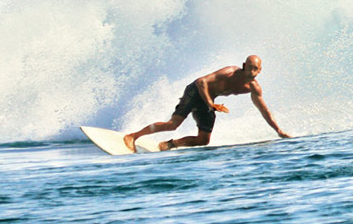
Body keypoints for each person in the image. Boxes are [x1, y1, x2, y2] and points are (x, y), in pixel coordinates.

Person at [124, 55, 291, 152]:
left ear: (260, 70)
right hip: (196, 92)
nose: (252, 73)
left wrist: (278, 130)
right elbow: (201, 82)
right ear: (244, 66)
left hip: (209, 101)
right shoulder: (229, 72)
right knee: (173, 124)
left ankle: (169, 144)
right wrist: (210, 103)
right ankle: (132, 136)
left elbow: (264, 110)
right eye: (250, 68)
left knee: (203, 140)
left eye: (256, 70)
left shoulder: (253, 88)